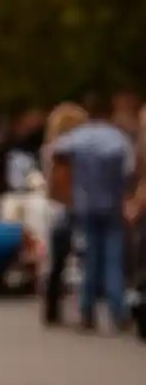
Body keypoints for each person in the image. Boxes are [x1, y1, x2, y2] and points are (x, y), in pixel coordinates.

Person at [50, 92, 137, 332]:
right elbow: (129, 171)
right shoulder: (118, 140)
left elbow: (56, 153)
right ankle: (118, 311)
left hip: (85, 203)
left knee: (90, 259)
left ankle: (87, 312)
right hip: (111, 203)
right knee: (112, 259)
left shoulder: (79, 138)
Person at [40, 102, 88, 325]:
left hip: (53, 207)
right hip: (75, 204)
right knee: (85, 256)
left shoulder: (50, 147)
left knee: (57, 261)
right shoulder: (75, 150)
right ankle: (87, 306)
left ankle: (51, 306)